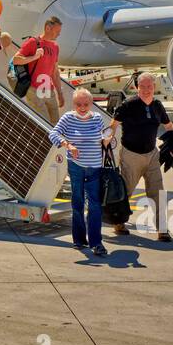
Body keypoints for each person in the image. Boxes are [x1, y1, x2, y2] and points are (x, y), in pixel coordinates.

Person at [110, 73, 173, 240]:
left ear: (154, 87)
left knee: (157, 191)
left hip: (152, 154)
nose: (147, 90)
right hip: (130, 155)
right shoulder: (128, 105)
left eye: (150, 87)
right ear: (136, 87)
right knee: (125, 191)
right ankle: (118, 222)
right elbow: (113, 125)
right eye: (143, 87)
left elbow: (168, 125)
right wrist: (106, 141)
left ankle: (162, 229)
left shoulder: (157, 106)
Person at [48, 88, 113, 255]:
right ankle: (79, 240)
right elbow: (53, 133)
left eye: (86, 104)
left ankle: (96, 242)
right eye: (78, 104)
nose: (82, 107)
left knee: (94, 205)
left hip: (95, 167)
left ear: (91, 104)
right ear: (73, 104)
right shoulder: (68, 118)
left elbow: (103, 139)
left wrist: (107, 139)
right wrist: (68, 145)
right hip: (76, 166)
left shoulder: (97, 118)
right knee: (77, 202)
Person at [14, 16, 64, 124]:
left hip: (49, 91)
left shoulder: (55, 47)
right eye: (57, 31)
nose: (59, 34)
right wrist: (34, 57)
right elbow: (16, 60)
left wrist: (60, 93)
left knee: (56, 125)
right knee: (43, 125)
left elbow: (55, 72)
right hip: (34, 90)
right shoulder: (33, 42)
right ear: (47, 28)